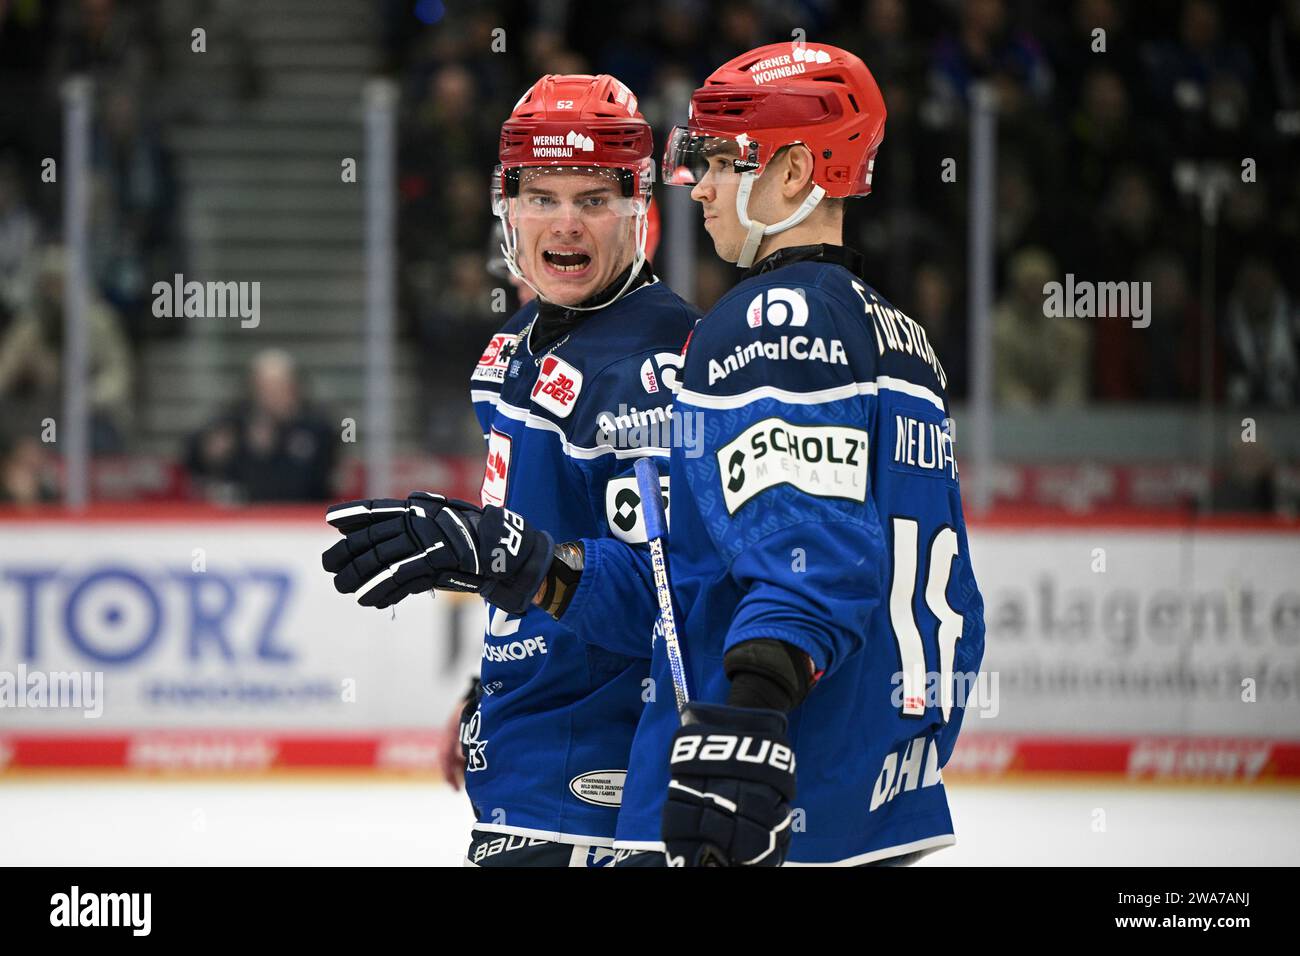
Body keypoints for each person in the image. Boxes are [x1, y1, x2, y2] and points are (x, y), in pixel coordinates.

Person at [443, 42, 987, 866]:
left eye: (722, 160)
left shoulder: (768, 322)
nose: (696, 183)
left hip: (758, 791)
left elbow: (803, 560)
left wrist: (750, 719)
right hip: (874, 789)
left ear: (797, 171)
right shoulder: (902, 336)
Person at [320, 74, 699, 866]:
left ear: (639, 207)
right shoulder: (512, 348)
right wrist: (489, 685)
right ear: (506, 205)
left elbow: (676, 606)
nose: (565, 222)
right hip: (526, 753)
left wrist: (507, 558)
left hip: (605, 782)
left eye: (594, 199)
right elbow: (543, 548)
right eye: (541, 196)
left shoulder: (663, 366)